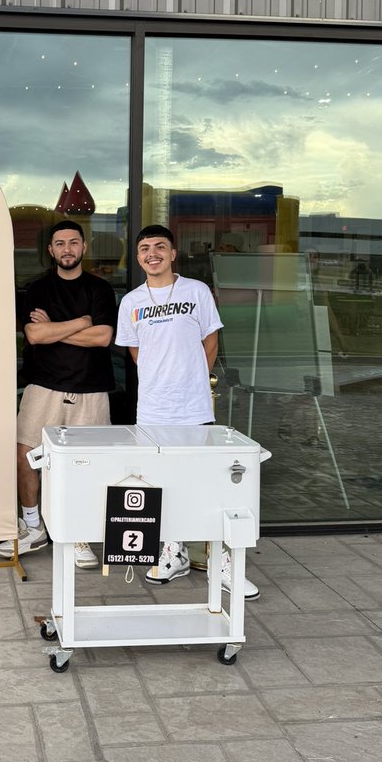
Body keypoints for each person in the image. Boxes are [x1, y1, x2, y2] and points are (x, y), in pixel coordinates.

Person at [116, 225, 260, 599]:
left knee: (206, 483)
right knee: (160, 482)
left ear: (173, 253)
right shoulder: (131, 301)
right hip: (152, 410)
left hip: (193, 408)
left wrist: (192, 380)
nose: (152, 254)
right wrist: (161, 378)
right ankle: (173, 552)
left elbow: (210, 343)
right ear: (138, 257)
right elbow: (136, 351)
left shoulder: (195, 291)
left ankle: (220, 561)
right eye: (144, 248)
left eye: (159, 247)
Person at [0, 220, 117, 568]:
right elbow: (34, 335)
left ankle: (79, 535)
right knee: (25, 454)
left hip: (91, 388)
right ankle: (33, 527)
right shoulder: (37, 288)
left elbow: (103, 338)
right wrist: (81, 322)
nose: (67, 249)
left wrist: (54, 329)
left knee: (88, 464)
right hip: (43, 386)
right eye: (60, 243)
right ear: (50, 250)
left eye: (73, 242)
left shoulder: (100, 288)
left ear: (84, 247)